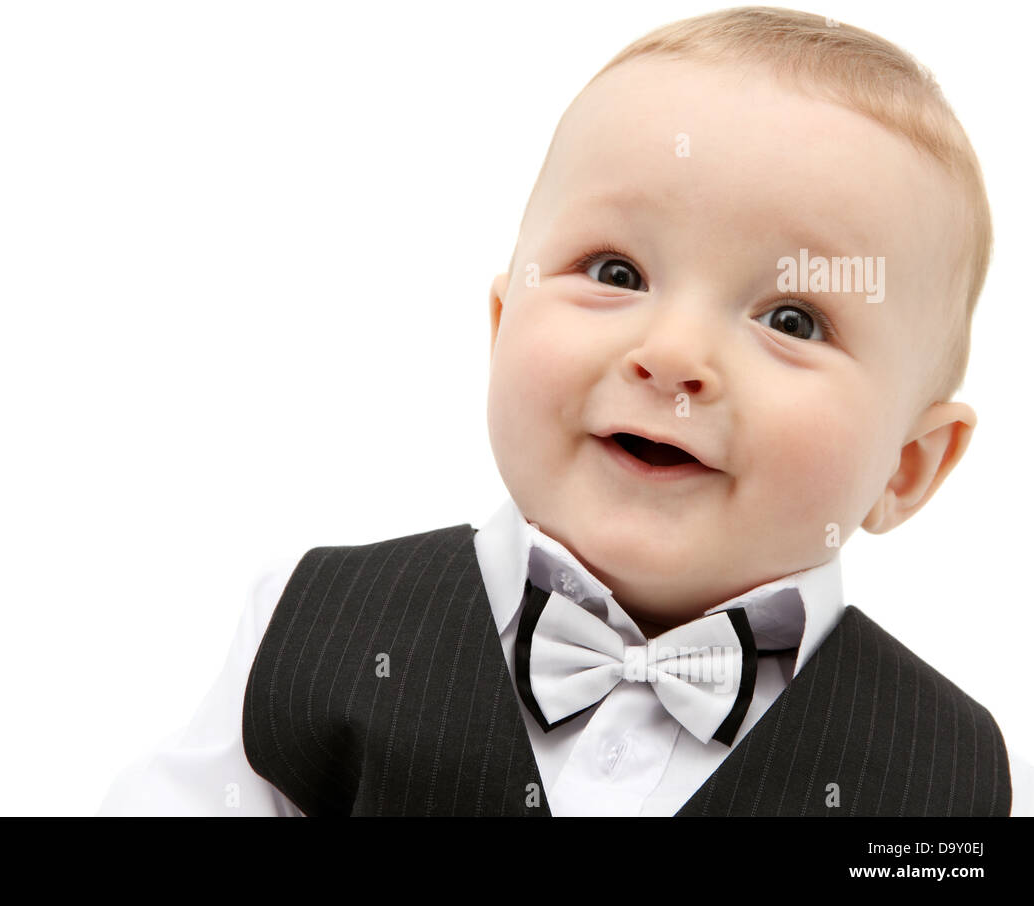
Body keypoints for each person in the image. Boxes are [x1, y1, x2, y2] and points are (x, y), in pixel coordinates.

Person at [98, 6, 1033, 816]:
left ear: (909, 466)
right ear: (503, 325)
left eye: (792, 318)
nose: (672, 354)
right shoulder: (319, 627)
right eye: (616, 273)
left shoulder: (950, 776)